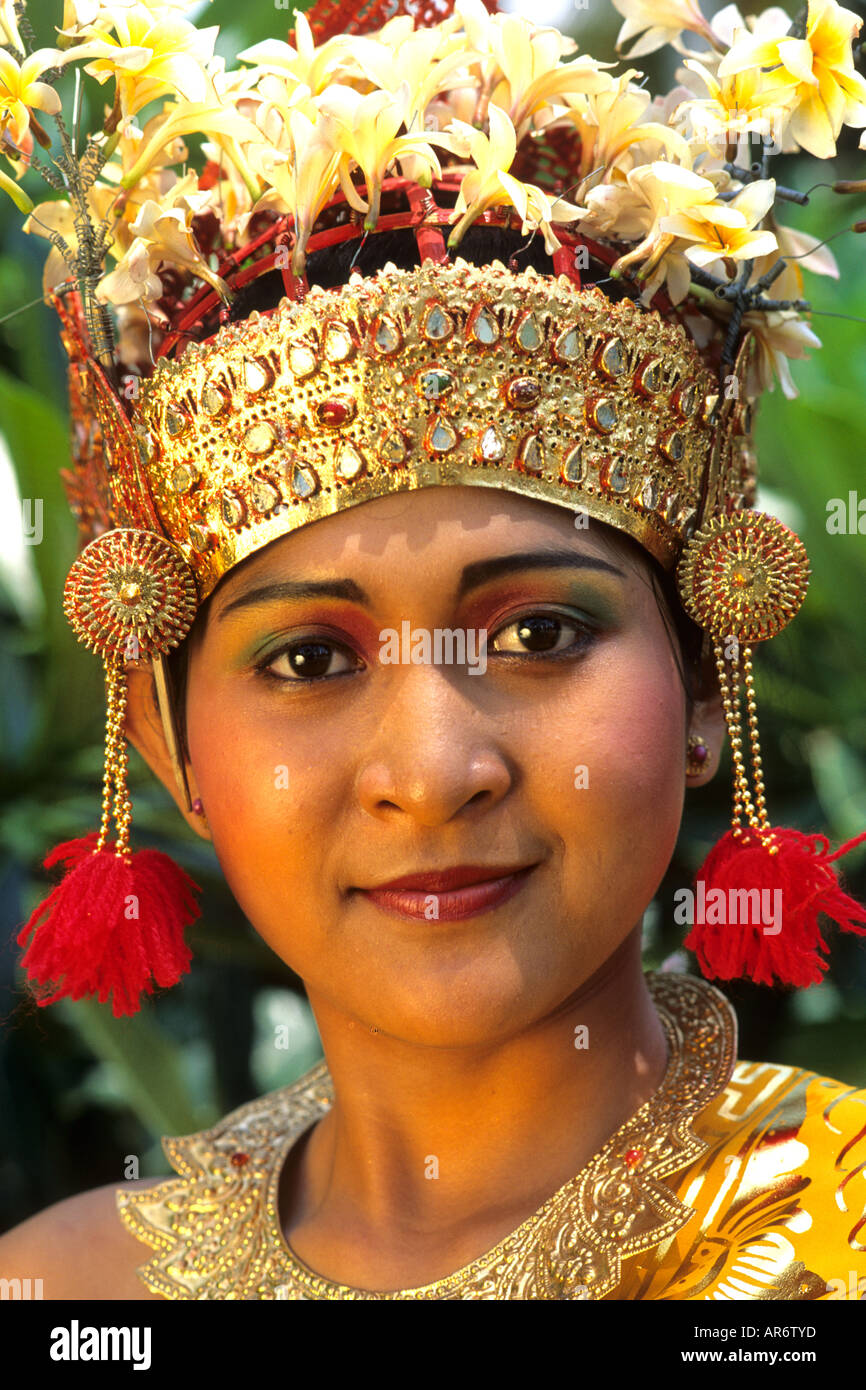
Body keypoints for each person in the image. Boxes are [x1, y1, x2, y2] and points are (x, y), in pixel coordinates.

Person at [1, 0, 866, 1300]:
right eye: (307, 658)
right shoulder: (66, 1294)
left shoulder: (831, 1236)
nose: (432, 765)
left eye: (536, 632)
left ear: (701, 673)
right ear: (163, 734)